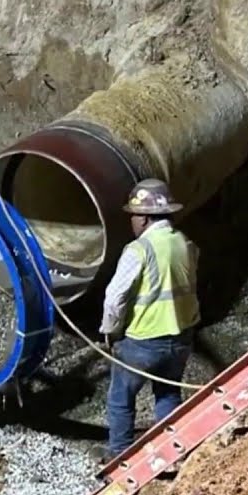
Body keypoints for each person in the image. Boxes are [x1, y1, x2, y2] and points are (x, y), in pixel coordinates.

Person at [99, 178, 201, 462]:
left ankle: (120, 456)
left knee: (121, 399)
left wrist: (111, 331)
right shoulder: (185, 244)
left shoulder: (138, 250)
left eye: (133, 216)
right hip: (180, 338)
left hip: (144, 340)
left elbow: (114, 298)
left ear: (143, 218)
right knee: (168, 394)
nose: (131, 222)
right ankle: (173, 454)